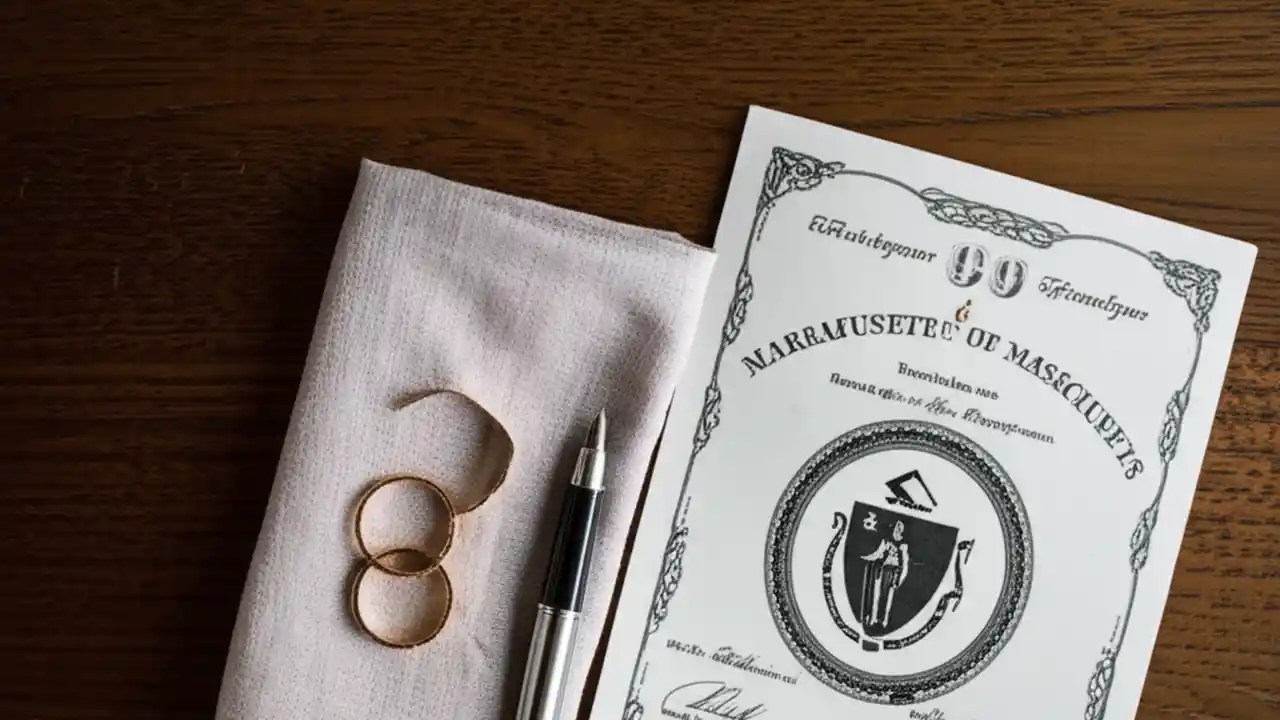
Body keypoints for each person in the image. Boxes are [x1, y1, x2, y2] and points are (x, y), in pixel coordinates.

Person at [861, 520, 910, 628]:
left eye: (899, 528)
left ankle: (884, 622)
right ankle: (873, 619)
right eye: (896, 527)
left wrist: (899, 579)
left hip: (894, 573)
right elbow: (877, 553)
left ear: (902, 531)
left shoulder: (903, 545)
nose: (897, 530)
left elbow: (905, 563)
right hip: (883, 570)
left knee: (889, 597)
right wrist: (867, 557)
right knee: (876, 594)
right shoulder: (886, 541)